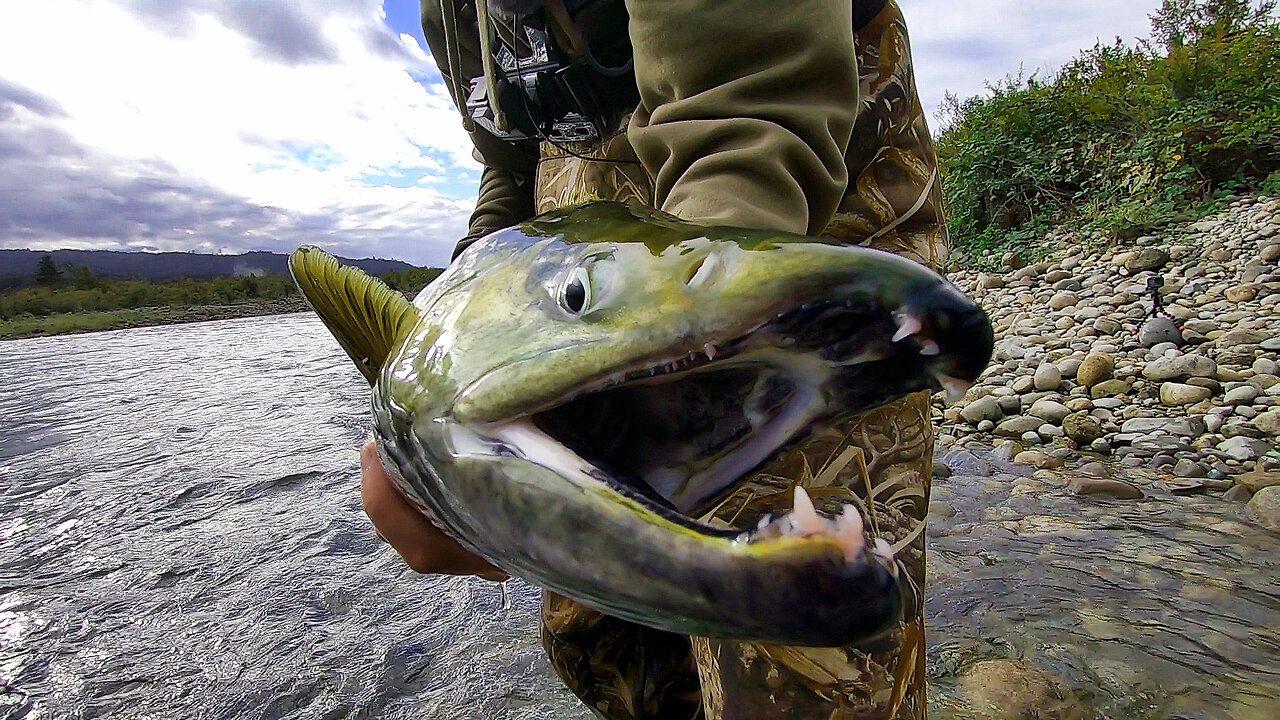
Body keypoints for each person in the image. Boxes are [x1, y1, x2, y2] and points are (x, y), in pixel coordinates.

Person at [364, 1, 950, 717]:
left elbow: (755, 88)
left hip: (792, 186)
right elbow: (504, 158)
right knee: (608, 652)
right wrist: (443, 354)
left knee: (809, 663)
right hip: (580, 268)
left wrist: (698, 354)